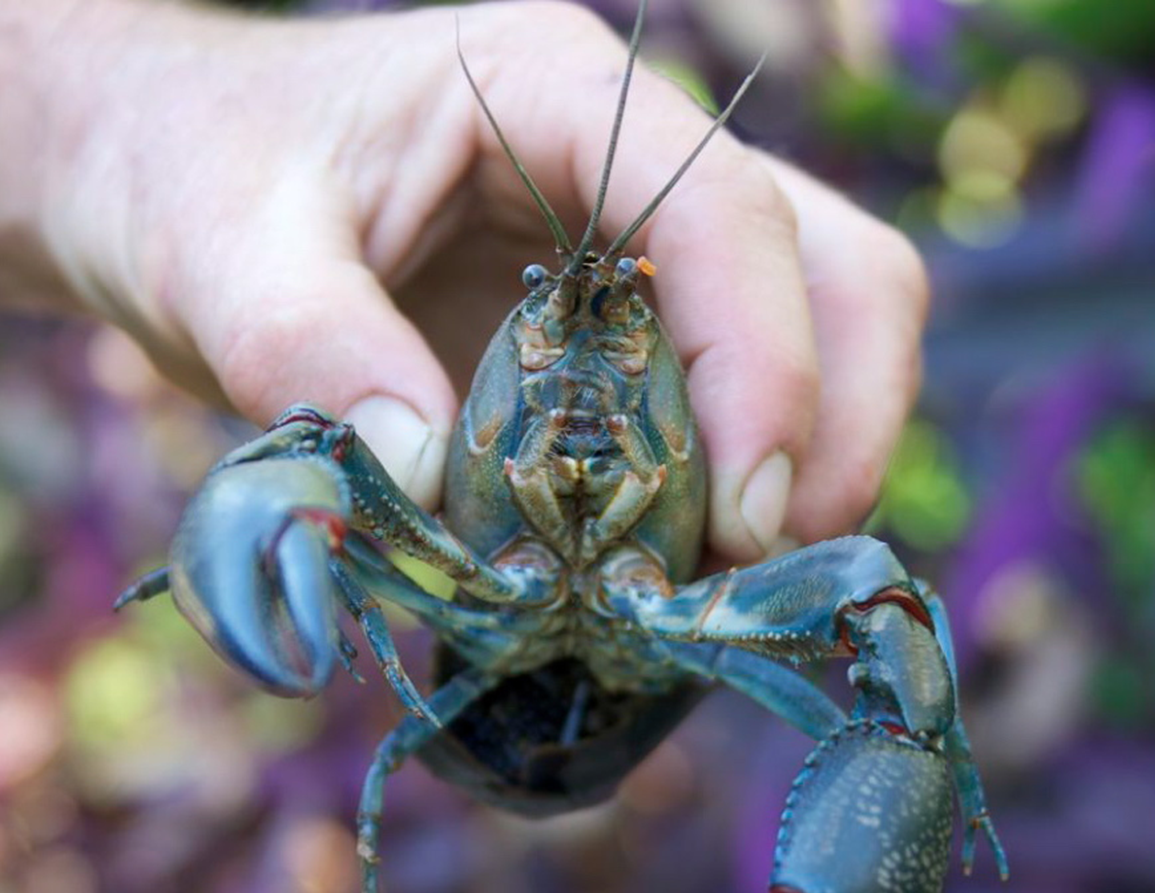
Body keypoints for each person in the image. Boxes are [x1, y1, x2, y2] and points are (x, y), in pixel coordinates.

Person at [0, 0, 928, 563]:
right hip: (481, 660)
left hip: (653, 647)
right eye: (549, 302)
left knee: (877, 595)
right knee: (273, 478)